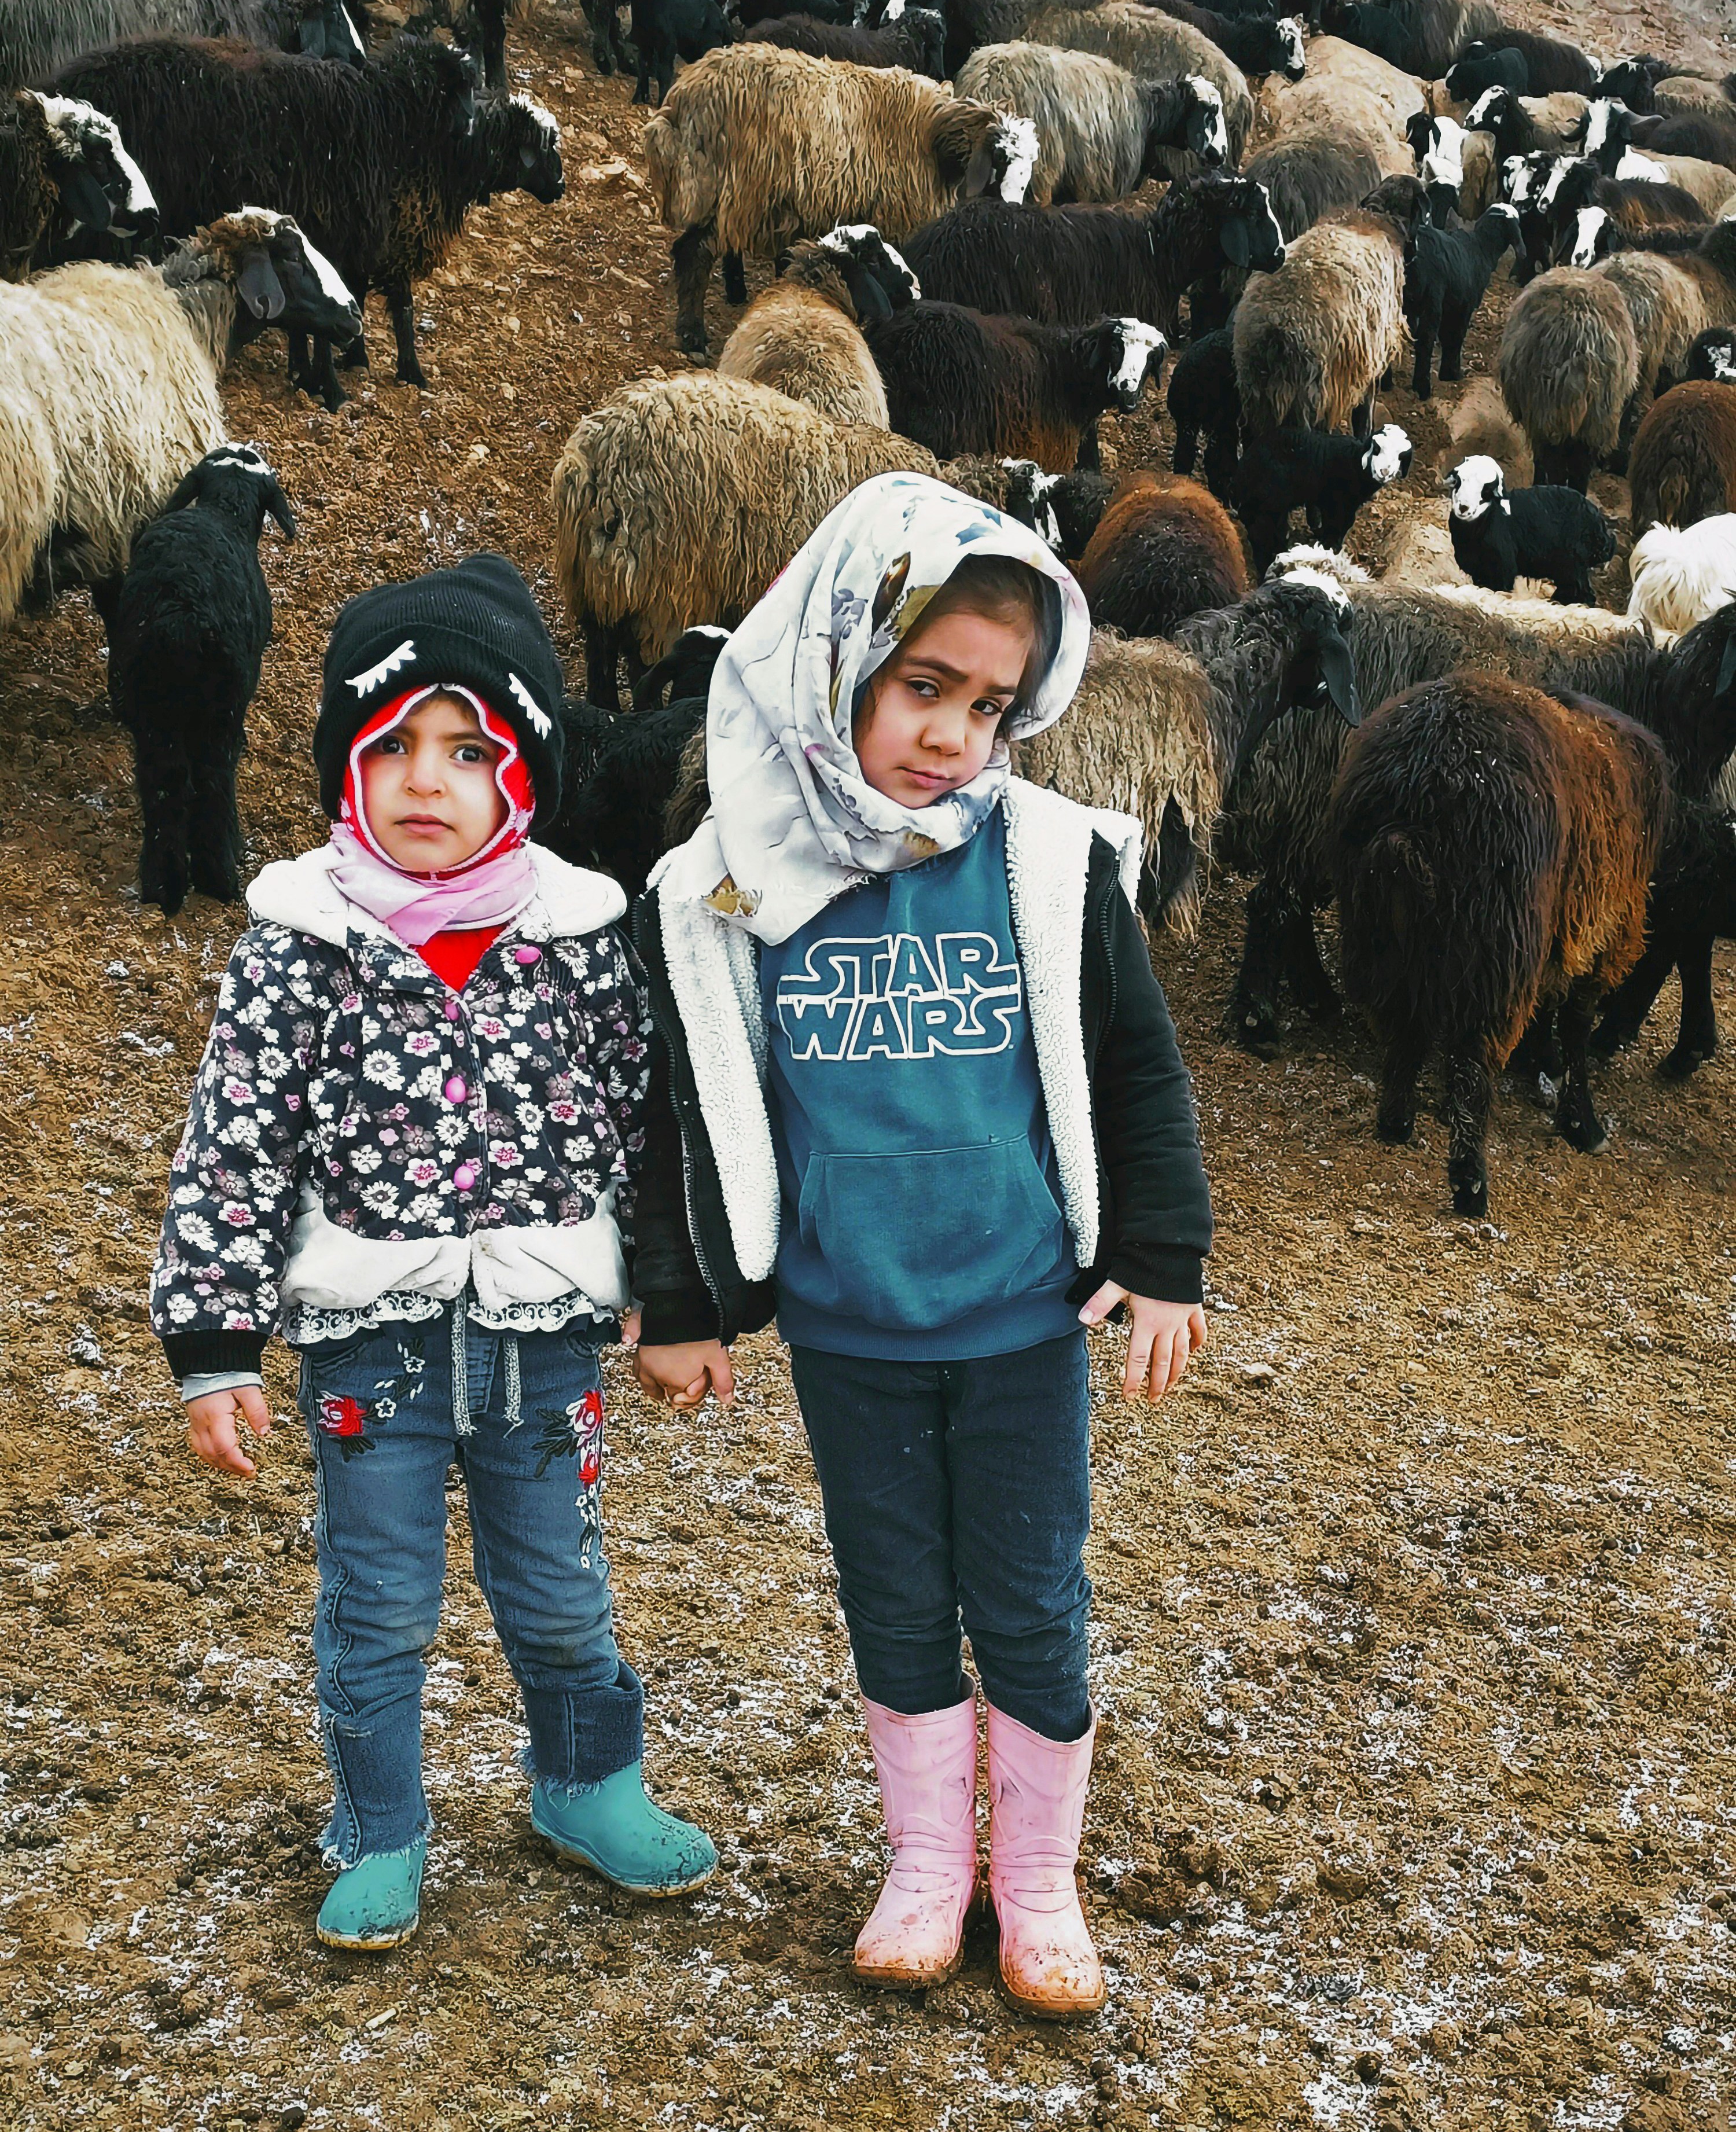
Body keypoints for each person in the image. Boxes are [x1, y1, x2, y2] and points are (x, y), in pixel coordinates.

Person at [630, 474, 1212, 2017]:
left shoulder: (1046, 862)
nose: (953, 731)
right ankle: (920, 1863)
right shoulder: (734, 883)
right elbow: (684, 1098)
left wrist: (1163, 1257)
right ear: (839, 659)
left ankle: (1033, 1878)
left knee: (1026, 1596)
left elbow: (1138, 1067)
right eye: (922, 685)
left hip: (1020, 1318)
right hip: (850, 1326)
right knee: (893, 1595)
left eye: (990, 703)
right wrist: (679, 1296)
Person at [149, 554, 715, 1950]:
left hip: (544, 1337)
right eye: (390, 745)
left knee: (563, 1590)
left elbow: (649, 1119)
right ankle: (379, 1826)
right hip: (371, 1345)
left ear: (522, 770)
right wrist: (213, 1340)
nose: (426, 779)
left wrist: (673, 1294)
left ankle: (588, 1780)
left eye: (468, 749)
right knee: (380, 1601)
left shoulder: (581, 934)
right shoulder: (302, 942)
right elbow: (237, 1137)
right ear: (345, 763)